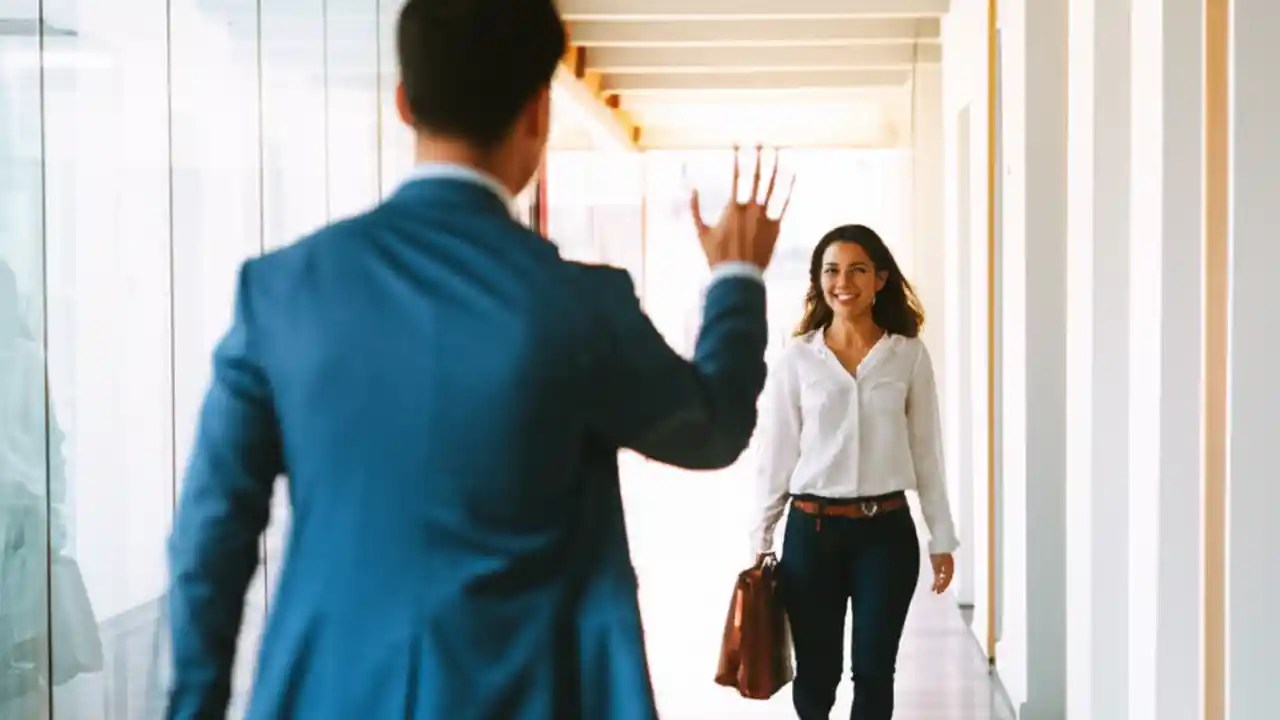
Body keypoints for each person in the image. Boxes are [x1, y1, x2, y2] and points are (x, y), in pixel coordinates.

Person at [164, 1, 795, 718]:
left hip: (330, 695)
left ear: (405, 104)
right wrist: (736, 281)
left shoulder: (279, 294)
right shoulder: (578, 305)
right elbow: (711, 428)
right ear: (537, 114)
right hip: (529, 696)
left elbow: (208, 545)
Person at [750, 224, 958, 720]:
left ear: (880, 278)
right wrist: (761, 535)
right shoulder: (798, 358)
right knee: (816, 673)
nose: (843, 281)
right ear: (819, 280)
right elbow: (776, 454)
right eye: (832, 270)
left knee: (873, 672)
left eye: (857, 270)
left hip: (886, 535)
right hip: (811, 533)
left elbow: (927, 451)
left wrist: (941, 537)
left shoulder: (907, 354)